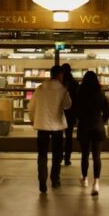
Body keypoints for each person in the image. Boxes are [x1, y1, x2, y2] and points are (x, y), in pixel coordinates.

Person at [28, 65, 71, 193]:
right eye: (62, 75)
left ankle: (42, 182)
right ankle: (55, 179)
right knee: (57, 154)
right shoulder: (62, 90)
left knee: (42, 155)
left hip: (42, 126)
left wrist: (32, 119)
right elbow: (68, 105)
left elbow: (31, 107)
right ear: (59, 75)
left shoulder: (39, 89)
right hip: (57, 126)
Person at [74, 70, 109, 196]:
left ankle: (84, 179)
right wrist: (101, 120)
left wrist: (81, 119)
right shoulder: (101, 94)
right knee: (97, 157)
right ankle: (96, 183)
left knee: (84, 155)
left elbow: (76, 111)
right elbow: (107, 112)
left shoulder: (80, 94)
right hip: (97, 126)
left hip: (84, 126)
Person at [60, 63, 78, 166]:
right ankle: (67, 158)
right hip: (71, 113)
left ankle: (59, 156)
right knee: (69, 136)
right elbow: (77, 100)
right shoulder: (74, 83)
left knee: (58, 135)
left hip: (59, 112)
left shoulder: (59, 83)